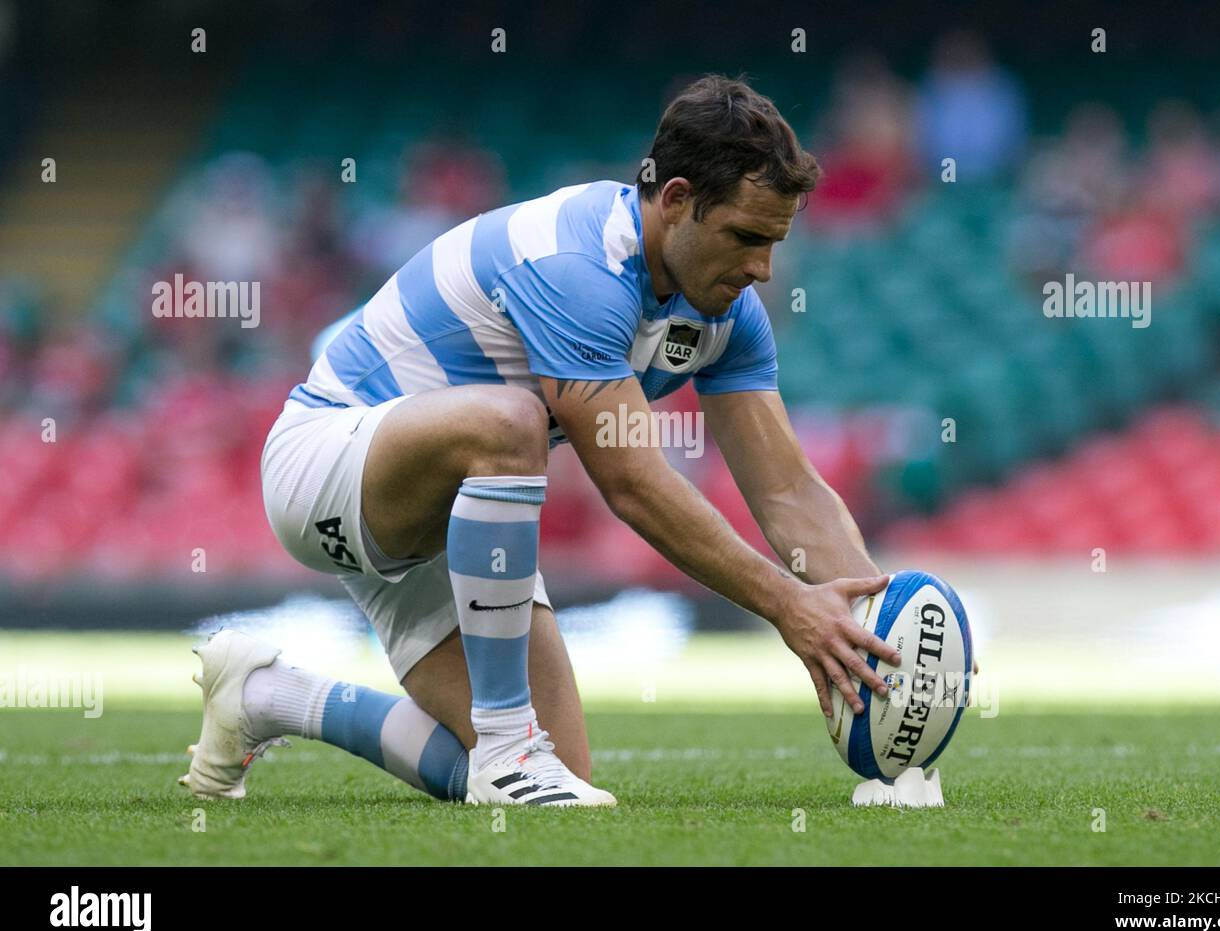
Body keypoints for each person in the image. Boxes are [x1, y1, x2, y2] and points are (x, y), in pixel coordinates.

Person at [181, 74, 901, 808]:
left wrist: (884, 655)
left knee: (563, 776)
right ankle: (504, 747)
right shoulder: (578, 269)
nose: (761, 270)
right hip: (326, 462)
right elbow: (632, 485)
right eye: (746, 237)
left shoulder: (727, 311)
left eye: (774, 243)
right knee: (511, 423)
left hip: (451, 509)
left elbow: (785, 488)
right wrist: (788, 604)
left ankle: (268, 696)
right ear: (677, 200)